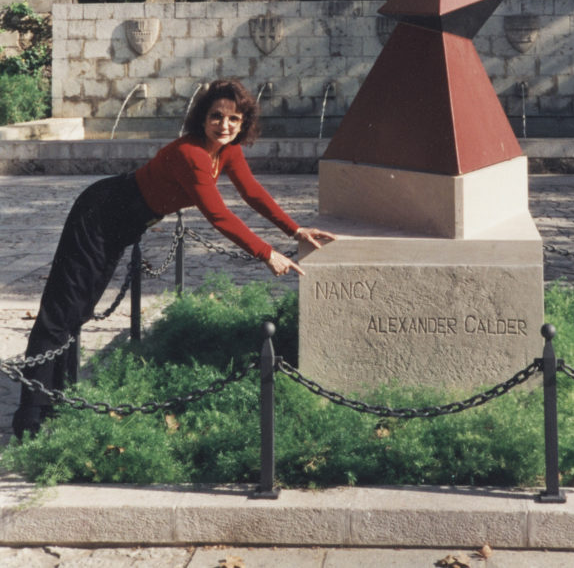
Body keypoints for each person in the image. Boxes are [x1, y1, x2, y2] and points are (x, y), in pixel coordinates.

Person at [12, 77, 335, 439]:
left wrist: (295, 230)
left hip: (121, 226)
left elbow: (253, 193)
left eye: (234, 119)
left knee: (79, 311)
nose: (224, 125)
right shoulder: (191, 154)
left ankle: (58, 398)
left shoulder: (226, 151)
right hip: (98, 215)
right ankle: (30, 417)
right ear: (202, 118)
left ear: (244, 123)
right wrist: (266, 253)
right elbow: (219, 215)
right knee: (60, 313)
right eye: (216, 116)